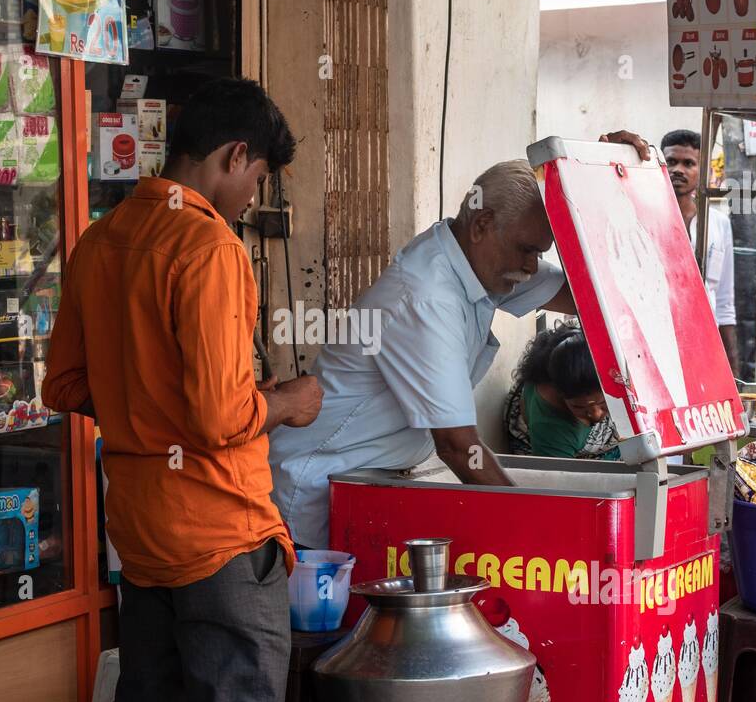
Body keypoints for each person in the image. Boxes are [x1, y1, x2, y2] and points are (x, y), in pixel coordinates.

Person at [43, 78, 323, 702]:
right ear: (235, 156)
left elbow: (65, 385)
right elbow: (220, 417)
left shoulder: (102, 239)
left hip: (141, 540)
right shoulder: (207, 245)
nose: (249, 198)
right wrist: (289, 403)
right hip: (221, 539)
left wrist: (148, 404)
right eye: (256, 179)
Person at [269, 132, 650, 550]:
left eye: (539, 253)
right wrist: (535, 529)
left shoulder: (486, 265)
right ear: (482, 224)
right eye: (527, 250)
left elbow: (592, 297)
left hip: (370, 486)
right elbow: (456, 445)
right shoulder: (427, 295)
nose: (531, 266)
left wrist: (603, 186)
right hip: (316, 490)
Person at [661, 129, 739, 374]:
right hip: (660, 336)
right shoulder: (646, 216)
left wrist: (732, 366)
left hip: (703, 340)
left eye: (688, 163)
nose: (678, 170)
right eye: (671, 162)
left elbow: (724, 299)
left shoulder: (718, 223)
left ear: (702, 170)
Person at [514, 323, 618, 459]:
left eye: (603, 403)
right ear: (559, 393)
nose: (596, 414)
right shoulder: (550, 429)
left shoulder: (572, 350)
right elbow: (559, 476)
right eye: (579, 407)